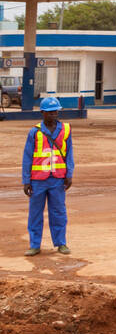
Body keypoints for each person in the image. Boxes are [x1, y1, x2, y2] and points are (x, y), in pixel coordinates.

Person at [22, 97, 74, 256]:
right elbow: (27, 157)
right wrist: (26, 181)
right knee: (35, 213)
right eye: (50, 112)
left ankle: (61, 243)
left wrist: (69, 174)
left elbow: (69, 153)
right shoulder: (34, 132)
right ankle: (35, 245)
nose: (53, 115)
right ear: (42, 112)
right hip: (38, 180)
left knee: (58, 212)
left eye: (55, 112)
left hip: (57, 179)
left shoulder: (65, 130)